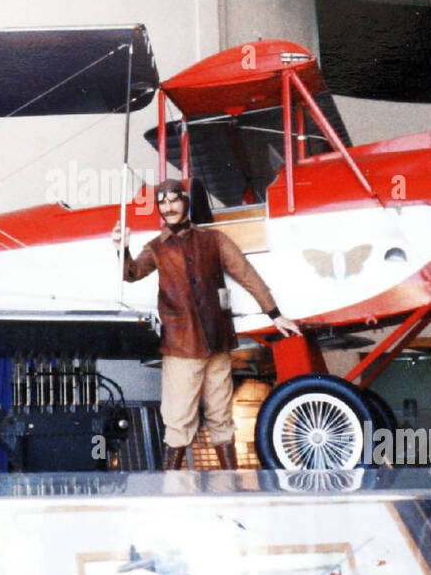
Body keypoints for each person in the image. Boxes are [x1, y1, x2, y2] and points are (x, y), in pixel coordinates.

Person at [113, 178, 301, 470]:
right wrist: (122, 250)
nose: (169, 207)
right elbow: (131, 274)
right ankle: (171, 487)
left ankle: (233, 484)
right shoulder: (155, 248)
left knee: (222, 417)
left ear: (185, 201)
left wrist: (274, 313)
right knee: (178, 418)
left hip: (217, 343)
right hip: (181, 346)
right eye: (162, 202)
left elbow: (246, 274)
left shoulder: (214, 240)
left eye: (174, 199)